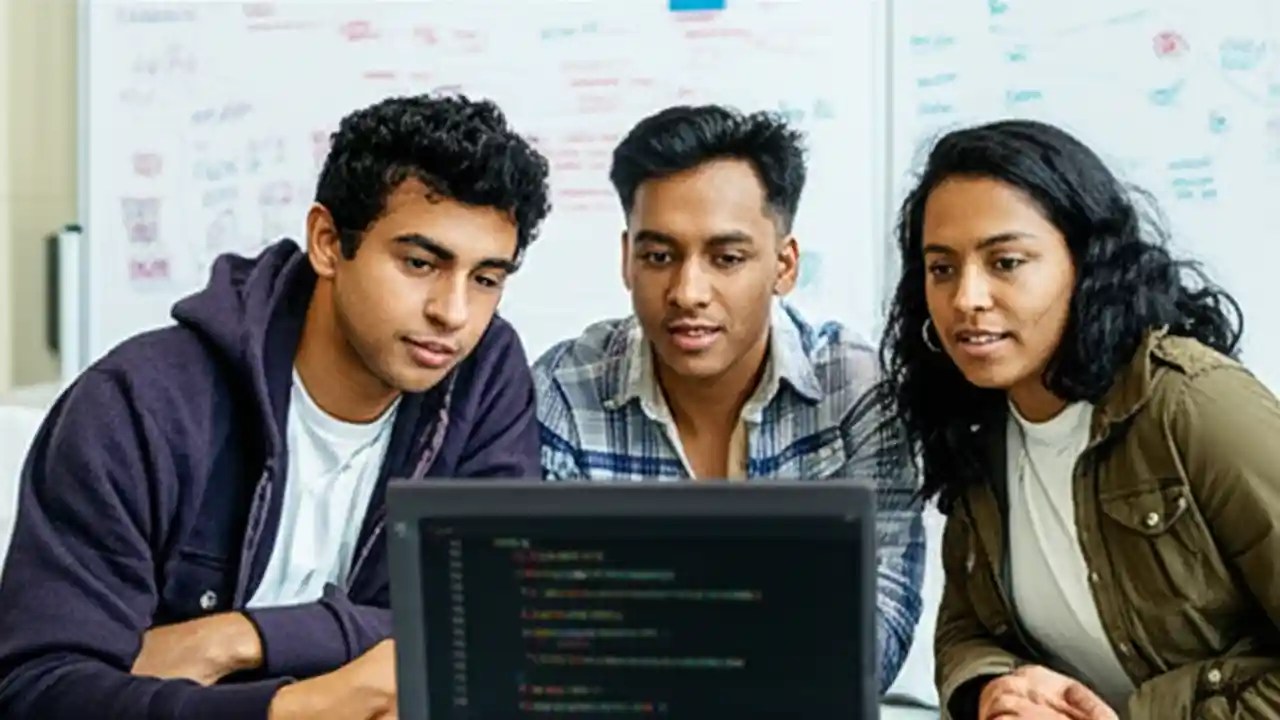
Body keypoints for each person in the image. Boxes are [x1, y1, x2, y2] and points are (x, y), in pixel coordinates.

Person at [0, 94, 551, 720]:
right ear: (325, 242)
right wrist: (294, 709)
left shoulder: (482, 377)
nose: (453, 313)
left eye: (486, 279)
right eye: (420, 263)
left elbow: (493, 614)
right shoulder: (138, 404)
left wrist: (244, 638)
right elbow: (38, 690)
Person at [878, 118, 1280, 720]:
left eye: (1006, 262)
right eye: (942, 269)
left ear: (1086, 265)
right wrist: (995, 692)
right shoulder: (974, 423)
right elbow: (968, 630)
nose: (966, 299)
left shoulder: (1197, 407)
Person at [532, 104, 925, 690]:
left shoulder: (852, 390)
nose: (688, 292)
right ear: (626, 258)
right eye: (659, 256)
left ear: (784, 265)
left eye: (728, 258)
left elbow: (878, 622)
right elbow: (542, 626)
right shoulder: (566, 389)